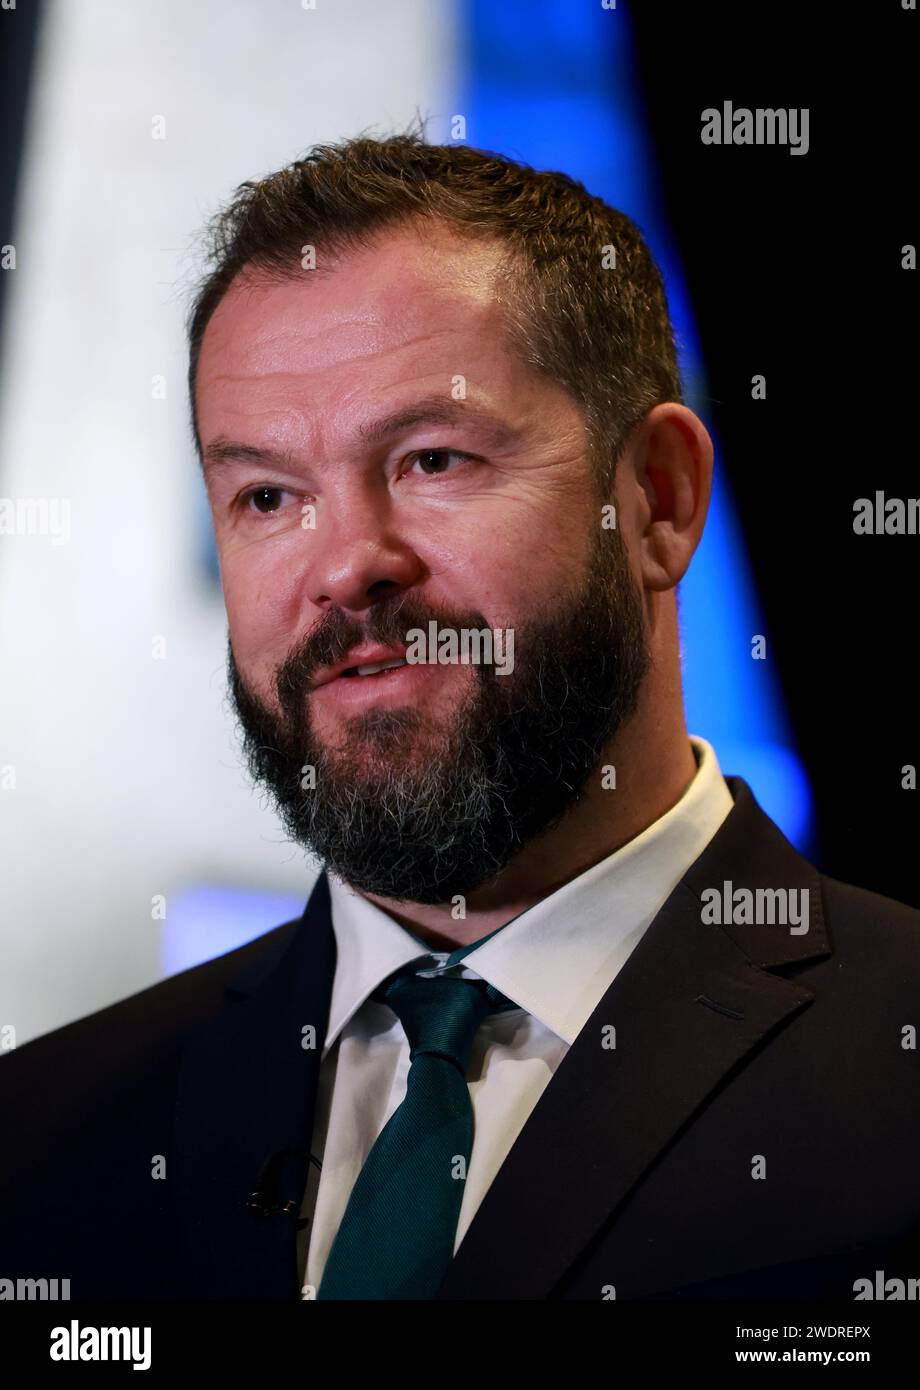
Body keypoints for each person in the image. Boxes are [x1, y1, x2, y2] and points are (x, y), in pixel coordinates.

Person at [2, 132, 918, 1301]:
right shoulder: (40, 1140)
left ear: (659, 500)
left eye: (432, 459)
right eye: (269, 495)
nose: (347, 567)